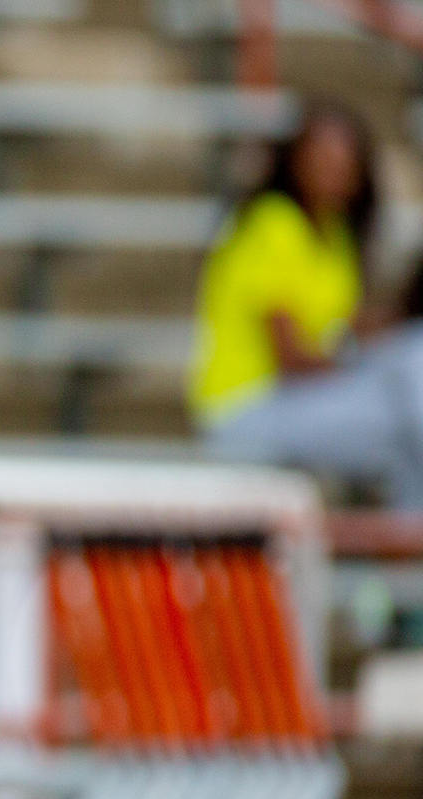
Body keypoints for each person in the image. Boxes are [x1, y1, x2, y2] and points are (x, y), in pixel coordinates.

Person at [190, 101, 417, 501]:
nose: (333, 170)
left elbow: (343, 326)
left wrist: (393, 327)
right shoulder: (274, 224)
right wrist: (362, 358)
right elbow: (292, 359)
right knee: (407, 417)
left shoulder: (334, 232)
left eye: (344, 162)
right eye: (322, 158)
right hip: (249, 407)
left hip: (299, 399)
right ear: (294, 160)